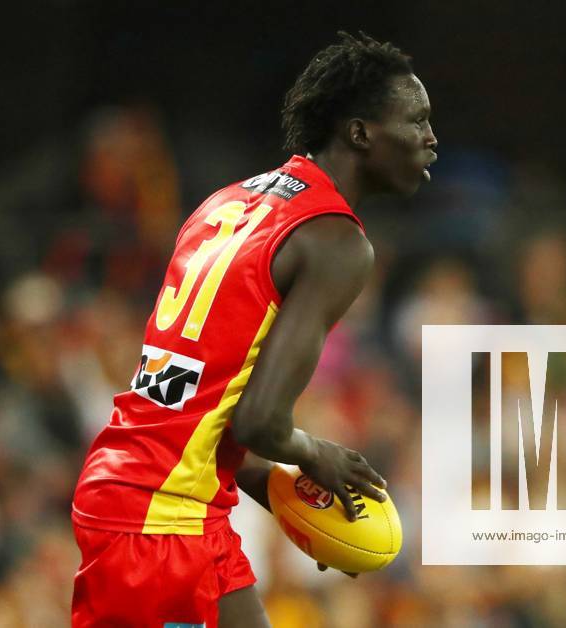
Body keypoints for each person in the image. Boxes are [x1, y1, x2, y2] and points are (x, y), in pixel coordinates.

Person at [71, 31, 437, 627]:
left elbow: (196, 397)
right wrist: (320, 455)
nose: (431, 138)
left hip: (159, 498)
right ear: (361, 133)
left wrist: (278, 492)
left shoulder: (226, 201)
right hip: (161, 523)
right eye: (416, 120)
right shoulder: (337, 242)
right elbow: (261, 422)